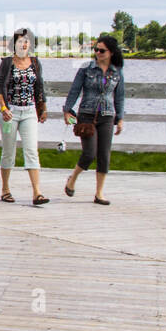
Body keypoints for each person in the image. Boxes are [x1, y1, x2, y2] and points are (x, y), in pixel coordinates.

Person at [62, 34, 125, 204]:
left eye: (102, 50)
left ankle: (99, 193)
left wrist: (120, 118)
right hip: (87, 114)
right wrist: (67, 110)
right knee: (89, 153)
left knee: (104, 155)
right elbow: (75, 90)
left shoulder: (117, 71)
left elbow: (119, 96)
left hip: (107, 115)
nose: (98, 52)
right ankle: (72, 179)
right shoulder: (86, 68)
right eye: (96, 49)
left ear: (111, 52)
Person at [0, 27, 50, 205]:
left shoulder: (35, 62)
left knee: (31, 150)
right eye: (20, 40)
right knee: (8, 152)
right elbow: (0, 88)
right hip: (10, 112)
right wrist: (4, 108)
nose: (24, 43)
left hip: (29, 111)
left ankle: (37, 192)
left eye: (27, 41)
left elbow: (39, 86)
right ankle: (5, 189)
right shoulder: (7, 63)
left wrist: (43, 107)